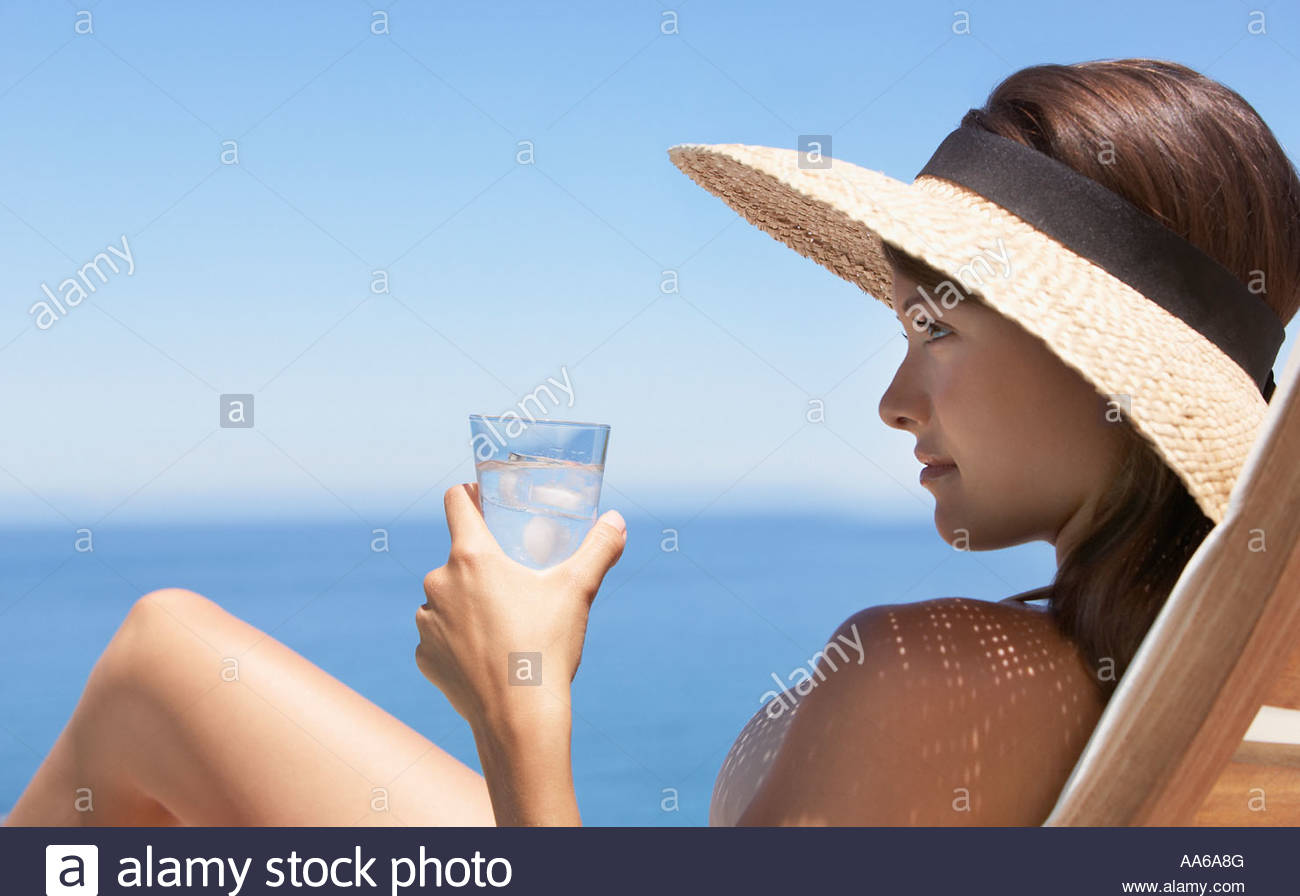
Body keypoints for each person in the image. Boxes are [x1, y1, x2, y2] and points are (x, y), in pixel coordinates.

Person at [6, 58, 1298, 828]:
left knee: (153, 674)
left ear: (1103, 366)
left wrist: (522, 704)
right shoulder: (1151, 680)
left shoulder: (954, 676)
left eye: (937, 330)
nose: (895, 400)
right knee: (168, 667)